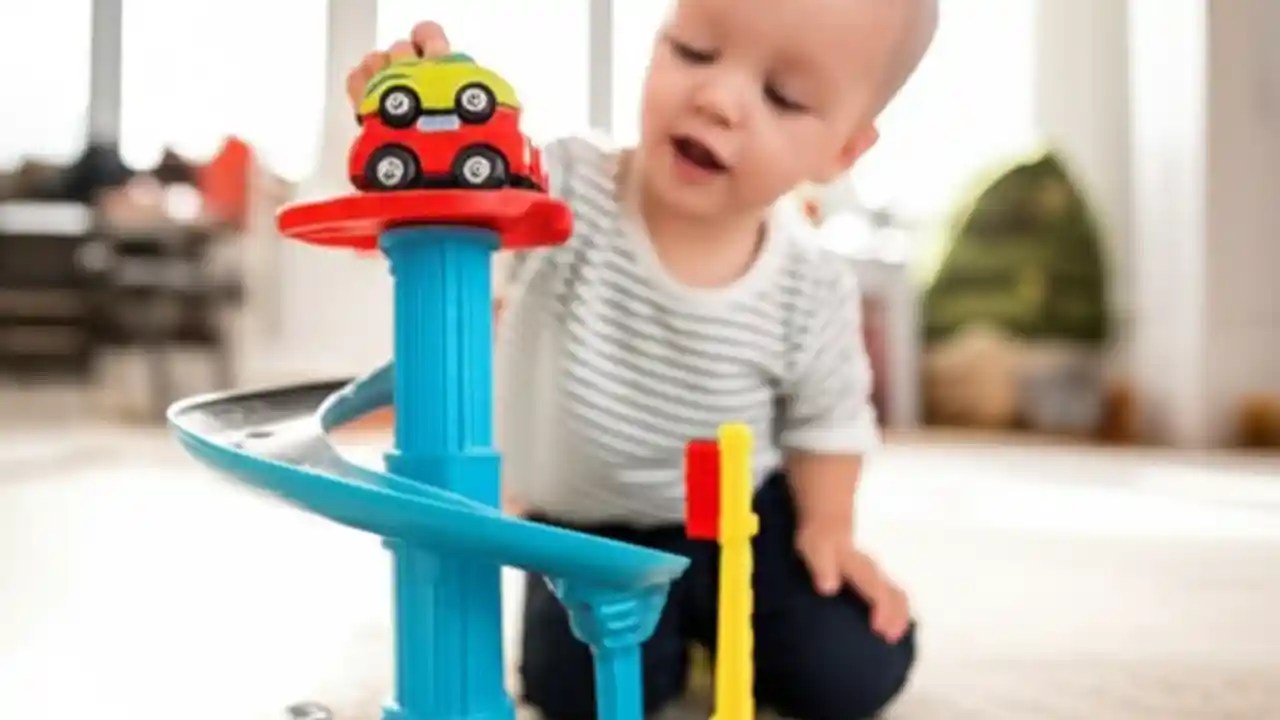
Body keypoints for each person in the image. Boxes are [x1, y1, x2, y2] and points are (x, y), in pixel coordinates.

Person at [346, 1, 936, 717]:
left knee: (849, 669)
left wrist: (829, 531)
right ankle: (676, 643)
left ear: (840, 152)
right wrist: (416, 119)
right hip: (584, 536)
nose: (716, 99)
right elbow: (463, 185)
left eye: (782, 96)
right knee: (576, 694)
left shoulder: (810, 281)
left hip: (739, 526)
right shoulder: (566, 184)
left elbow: (829, 424)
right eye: (693, 51)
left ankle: (710, 630)